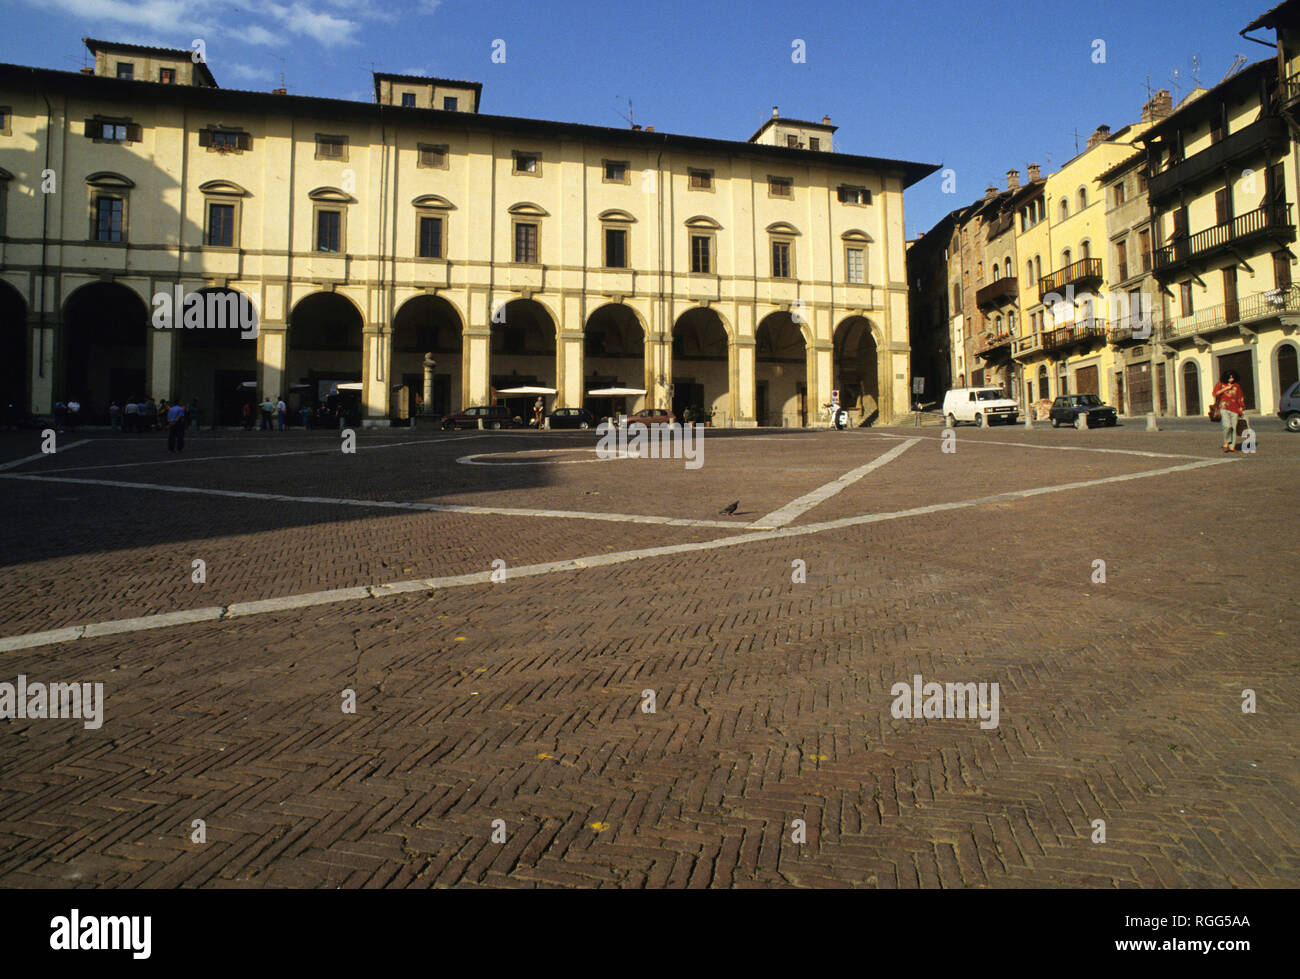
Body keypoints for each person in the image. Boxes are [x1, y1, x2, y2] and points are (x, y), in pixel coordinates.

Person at [1211, 370, 1247, 453]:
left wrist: (1241, 407)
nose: (1231, 379)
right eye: (1229, 377)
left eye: (1232, 377)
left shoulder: (1237, 386)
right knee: (1227, 426)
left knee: (1234, 427)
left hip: (1235, 409)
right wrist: (1225, 388)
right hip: (1224, 407)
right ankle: (1226, 442)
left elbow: (1240, 397)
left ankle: (1232, 446)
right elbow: (1215, 394)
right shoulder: (1220, 384)